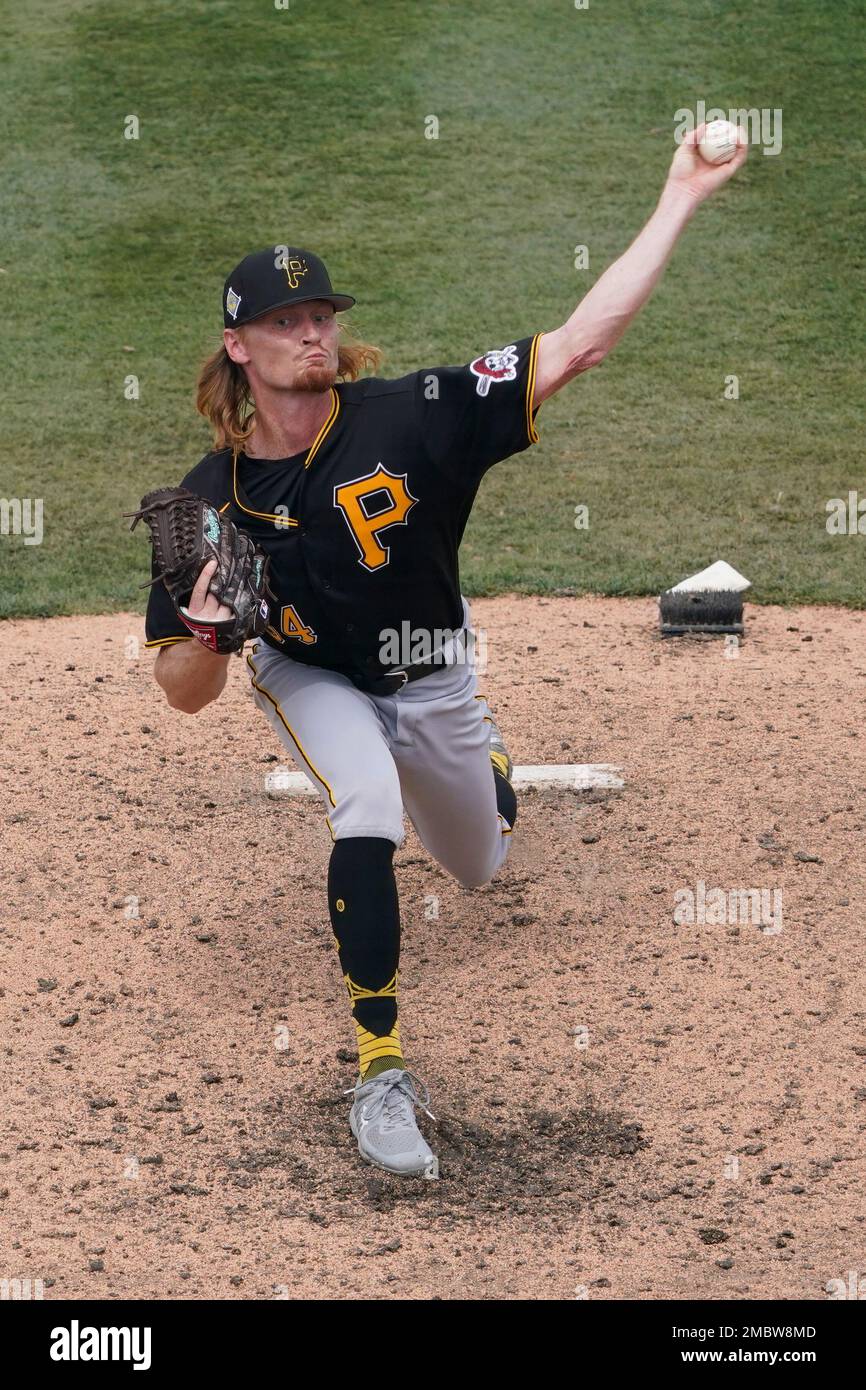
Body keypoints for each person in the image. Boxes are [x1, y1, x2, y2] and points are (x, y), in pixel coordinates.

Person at [143, 125, 747, 1175]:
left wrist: (679, 196)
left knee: (475, 864)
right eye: (285, 322)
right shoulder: (209, 502)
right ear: (239, 347)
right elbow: (183, 693)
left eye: (320, 315)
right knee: (366, 805)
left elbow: (578, 344)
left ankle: (491, 769)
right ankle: (381, 1071)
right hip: (309, 671)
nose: (311, 333)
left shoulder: (416, 414)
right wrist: (204, 632)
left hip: (430, 666)